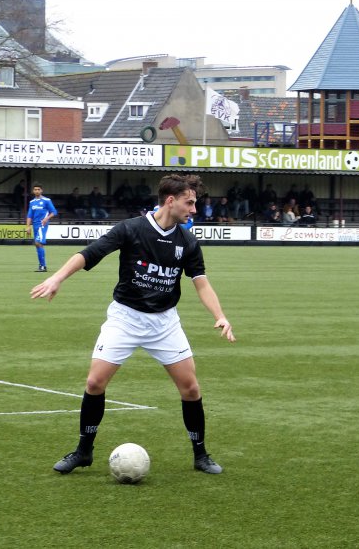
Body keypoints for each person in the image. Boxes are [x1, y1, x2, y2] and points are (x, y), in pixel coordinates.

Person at [30, 173, 235, 476]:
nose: (194, 210)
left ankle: (200, 454)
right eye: (189, 203)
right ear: (170, 200)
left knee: (191, 389)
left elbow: (201, 283)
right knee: (94, 383)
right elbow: (90, 253)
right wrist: (56, 277)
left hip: (164, 323)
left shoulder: (187, 241)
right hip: (125, 318)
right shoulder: (131, 229)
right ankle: (84, 450)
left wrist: (220, 315)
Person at [25, 183, 58, 272]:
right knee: (37, 245)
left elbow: (54, 212)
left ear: (41, 190)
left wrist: (46, 219)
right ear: (33, 191)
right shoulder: (32, 202)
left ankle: (43, 266)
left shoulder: (46, 200)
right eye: (35, 189)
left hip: (42, 225)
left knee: (38, 243)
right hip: (35, 225)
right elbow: (29, 215)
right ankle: (42, 266)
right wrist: (28, 226)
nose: (37, 191)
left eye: (38, 189)